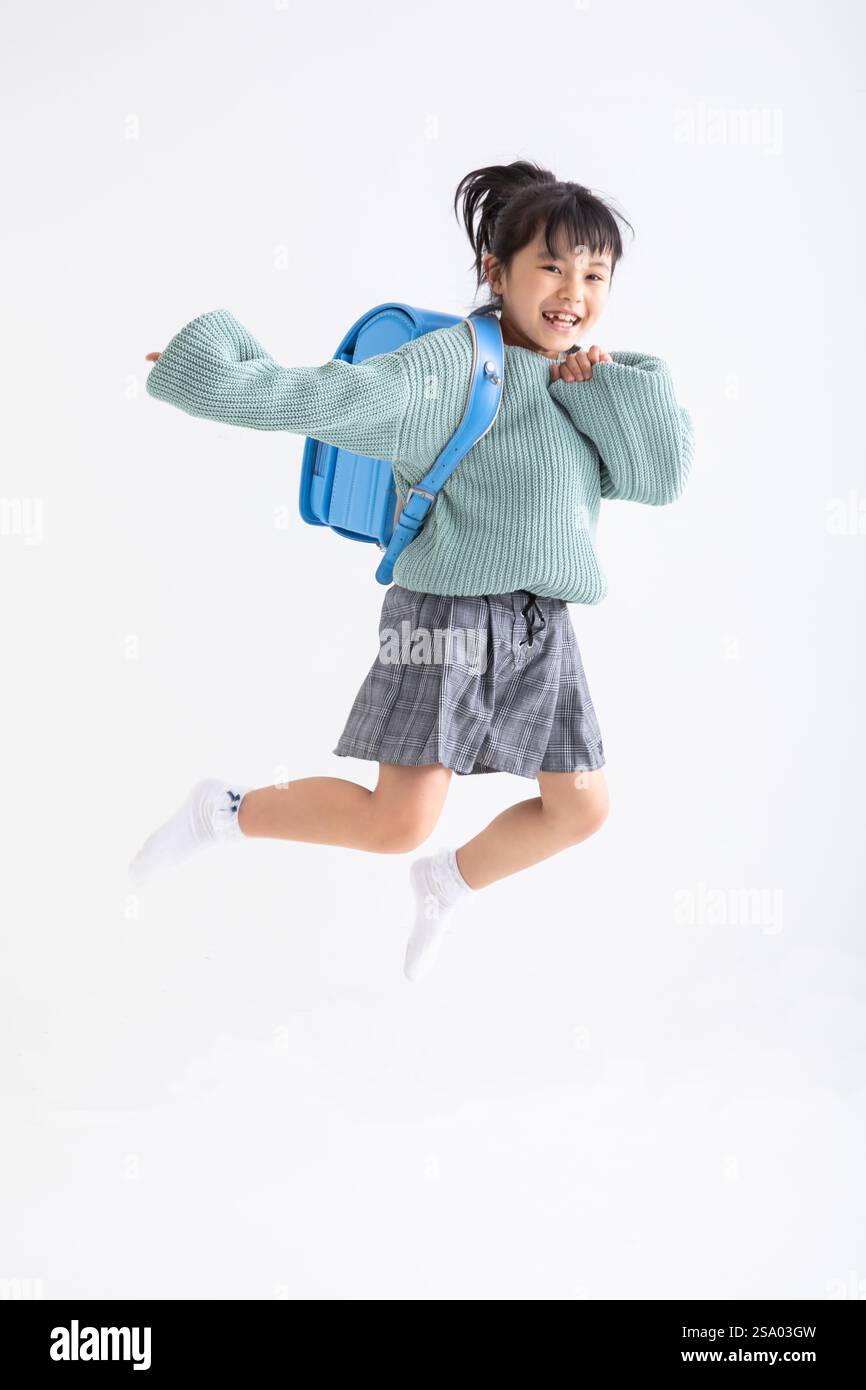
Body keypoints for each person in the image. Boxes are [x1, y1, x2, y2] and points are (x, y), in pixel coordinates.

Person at [128, 158, 695, 982]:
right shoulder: (455, 364)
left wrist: (605, 384)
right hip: (448, 617)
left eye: (595, 273)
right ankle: (224, 812)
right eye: (551, 265)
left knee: (580, 809)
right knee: (398, 822)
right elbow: (332, 398)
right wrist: (211, 377)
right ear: (496, 273)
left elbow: (661, 476)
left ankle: (448, 883)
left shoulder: (582, 385)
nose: (574, 289)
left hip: (543, 625)